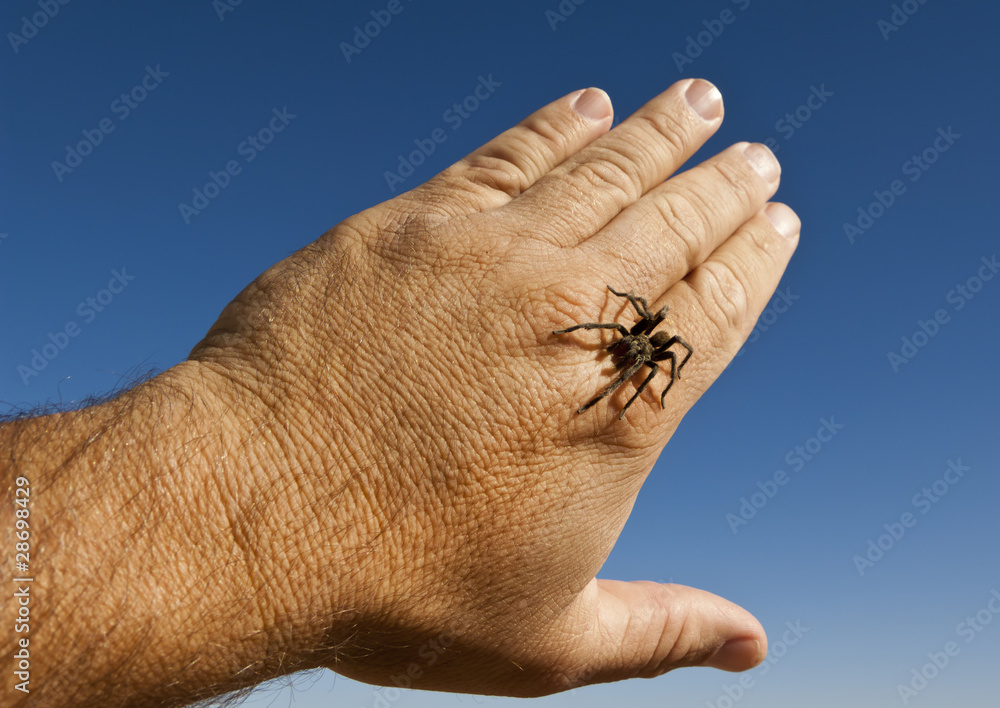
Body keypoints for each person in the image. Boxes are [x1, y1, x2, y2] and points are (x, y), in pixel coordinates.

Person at [1, 78, 799, 708]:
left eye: (638, 354)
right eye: (632, 347)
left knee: (630, 356)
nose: (630, 352)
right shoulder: (623, 327)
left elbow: (664, 346)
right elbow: (624, 322)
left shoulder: (646, 353)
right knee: (606, 332)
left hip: (636, 339)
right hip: (623, 325)